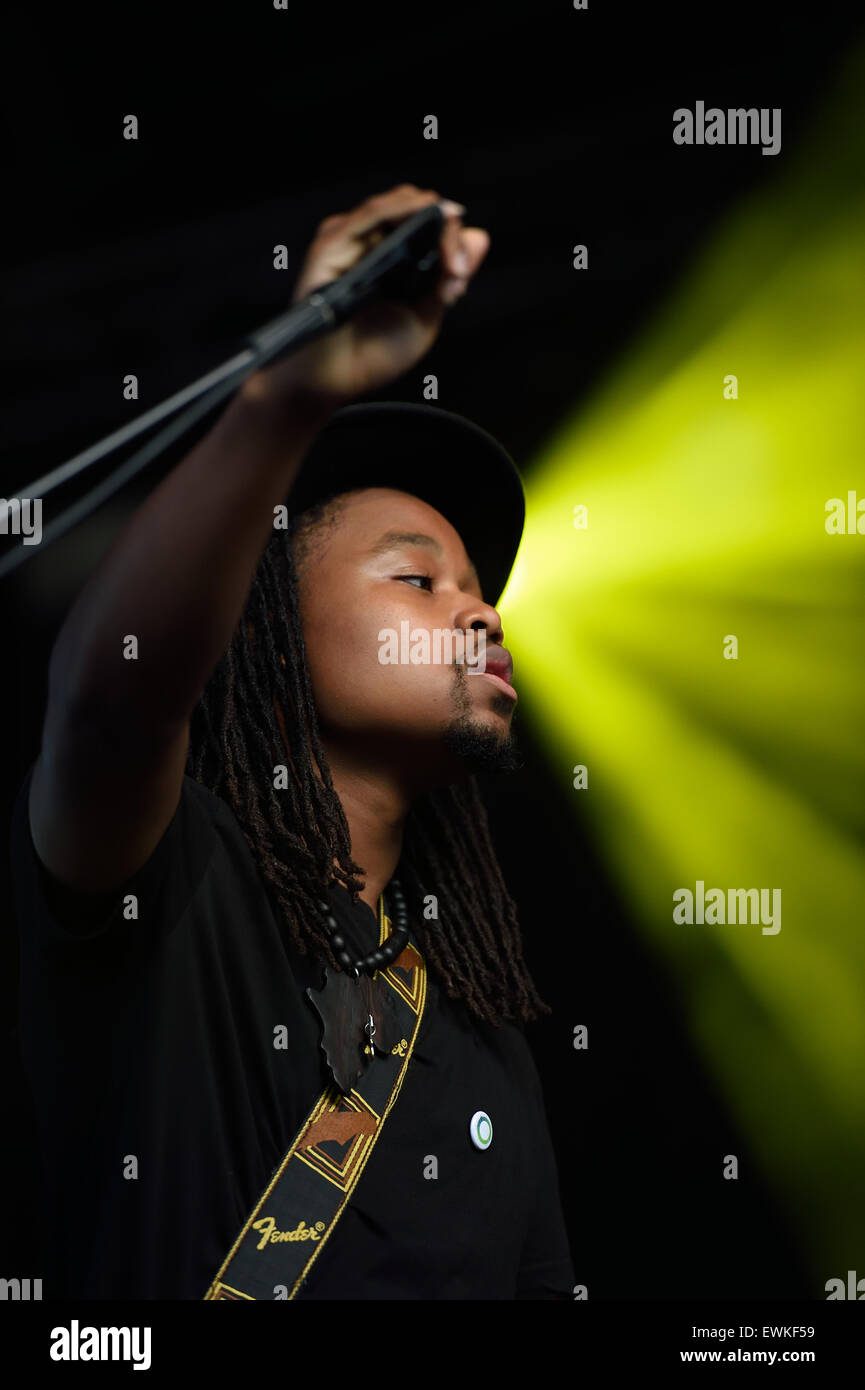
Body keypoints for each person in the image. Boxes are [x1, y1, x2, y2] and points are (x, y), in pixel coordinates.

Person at [9, 184, 575, 1300]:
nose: (481, 614)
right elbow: (109, 703)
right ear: (264, 633)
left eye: (479, 590)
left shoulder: (486, 1040)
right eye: (418, 578)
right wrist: (292, 393)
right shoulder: (168, 885)